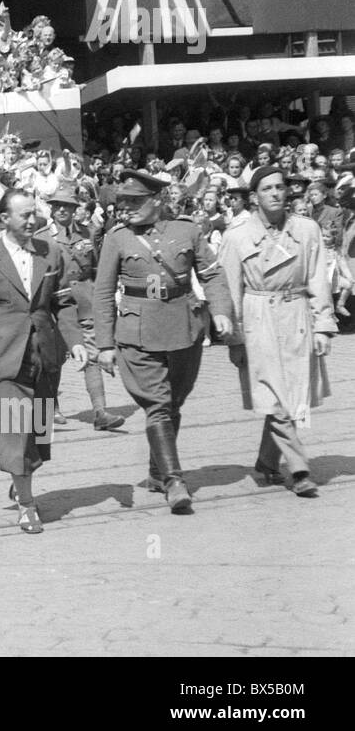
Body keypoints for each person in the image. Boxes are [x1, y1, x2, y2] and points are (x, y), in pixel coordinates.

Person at [93, 170, 232, 513]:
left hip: (184, 328)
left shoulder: (187, 230)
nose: (127, 208)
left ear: (157, 201)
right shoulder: (117, 238)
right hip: (138, 333)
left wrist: (221, 310)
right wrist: (106, 344)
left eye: (136, 202)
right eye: (124, 202)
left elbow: (212, 274)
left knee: (174, 403)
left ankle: (157, 472)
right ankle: (174, 481)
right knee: (157, 404)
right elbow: (102, 293)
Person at [0, 189, 87, 533]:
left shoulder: (52, 252)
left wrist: (74, 342)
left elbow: (64, 303)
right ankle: (28, 503)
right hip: (4, 359)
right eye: (24, 215)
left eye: (34, 214)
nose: (32, 220)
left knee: (40, 436)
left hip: (44, 356)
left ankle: (23, 477)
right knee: (15, 431)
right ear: (4, 219)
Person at [219, 167, 335, 498]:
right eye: (267, 188)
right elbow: (229, 290)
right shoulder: (236, 235)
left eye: (280, 187)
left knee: (293, 395)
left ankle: (267, 462)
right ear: (254, 197)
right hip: (258, 318)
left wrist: (323, 325)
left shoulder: (307, 229)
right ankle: (299, 469)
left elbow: (317, 278)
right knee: (277, 397)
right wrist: (234, 338)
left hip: (297, 314)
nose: (276, 193)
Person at [43, 183, 125, 432]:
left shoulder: (88, 233)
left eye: (66, 206)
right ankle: (51, 408)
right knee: (53, 358)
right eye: (57, 206)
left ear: (74, 208)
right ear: (51, 209)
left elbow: (98, 268)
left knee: (91, 355)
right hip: (56, 304)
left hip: (85, 301)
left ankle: (100, 411)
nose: (61, 210)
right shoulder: (43, 237)